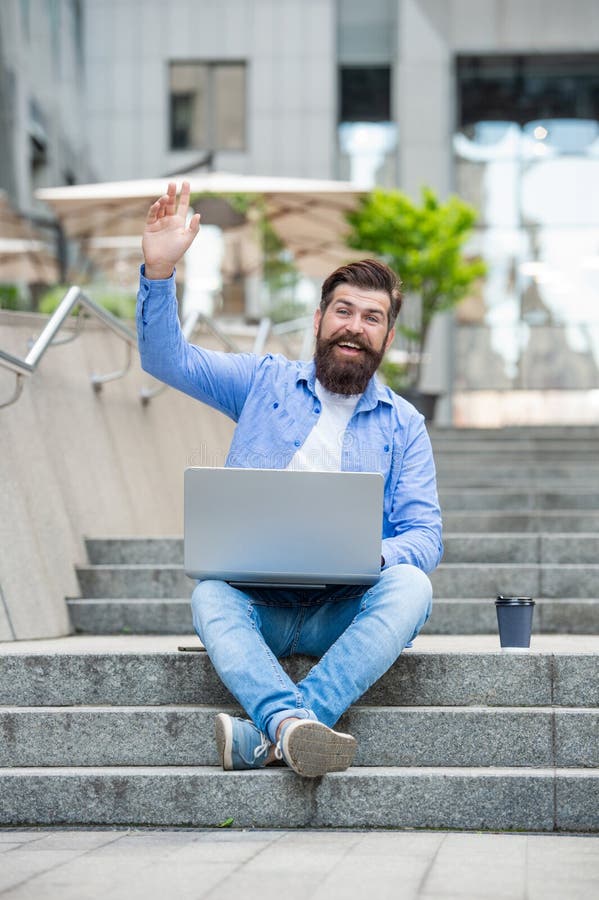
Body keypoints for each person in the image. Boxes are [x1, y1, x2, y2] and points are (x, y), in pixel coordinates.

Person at [137, 181, 443, 778]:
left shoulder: (404, 424)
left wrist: (373, 555)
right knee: (210, 596)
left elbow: (425, 534)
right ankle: (295, 729)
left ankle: (274, 730)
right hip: (260, 605)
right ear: (320, 319)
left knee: (412, 587)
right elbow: (166, 359)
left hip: (342, 611)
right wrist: (159, 272)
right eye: (344, 311)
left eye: (372, 318)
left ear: (387, 337)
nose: (355, 326)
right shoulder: (263, 382)